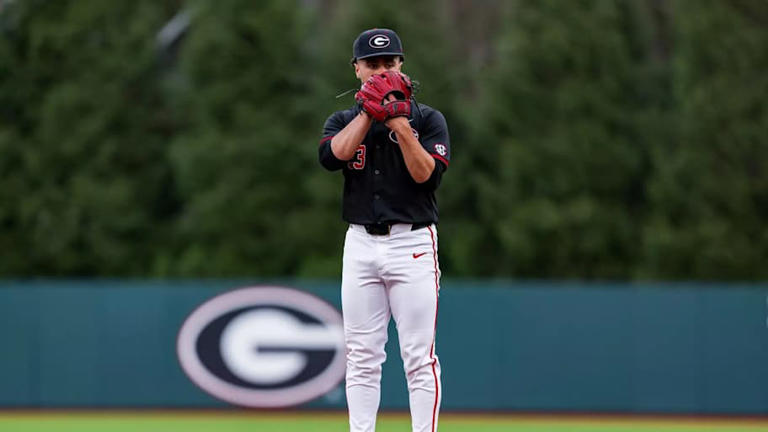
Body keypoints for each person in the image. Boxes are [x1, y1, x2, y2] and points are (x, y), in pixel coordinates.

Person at [318, 28, 451, 432]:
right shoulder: (342, 119)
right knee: (361, 355)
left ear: (402, 65)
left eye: (388, 63)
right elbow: (331, 157)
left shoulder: (427, 119)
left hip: (411, 244)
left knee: (418, 355)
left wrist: (398, 120)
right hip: (360, 243)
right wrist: (367, 113)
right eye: (372, 64)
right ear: (357, 69)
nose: (380, 71)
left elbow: (427, 176)